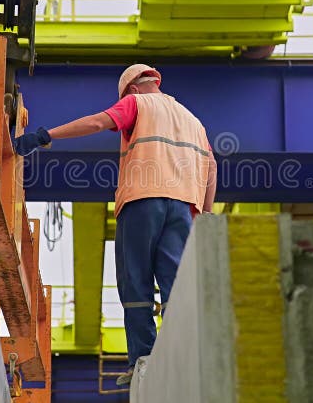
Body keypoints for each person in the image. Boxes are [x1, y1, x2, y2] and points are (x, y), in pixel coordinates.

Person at [14, 64, 217, 385]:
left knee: (135, 278)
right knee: (174, 283)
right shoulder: (193, 121)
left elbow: (97, 121)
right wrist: (204, 214)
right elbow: (212, 166)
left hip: (142, 200)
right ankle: (186, 351)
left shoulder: (138, 103)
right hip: (183, 207)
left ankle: (143, 358)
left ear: (132, 89)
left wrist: (44, 136)